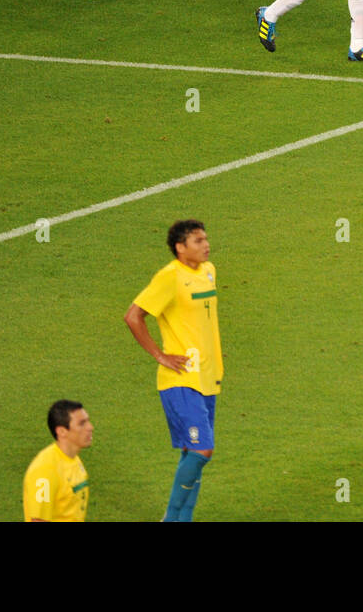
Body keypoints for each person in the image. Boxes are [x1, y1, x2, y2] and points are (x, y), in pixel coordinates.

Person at [124, 219, 222, 522]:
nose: (206, 245)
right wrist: (160, 355)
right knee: (201, 451)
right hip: (180, 379)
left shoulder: (209, 271)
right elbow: (133, 316)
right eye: (197, 241)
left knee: (189, 452)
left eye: (206, 239)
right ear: (180, 248)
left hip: (208, 377)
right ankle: (171, 519)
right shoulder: (169, 277)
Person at [23, 399, 93, 522]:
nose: (90, 427)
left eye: (88, 421)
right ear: (62, 431)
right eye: (82, 423)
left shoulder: (74, 460)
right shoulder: (45, 469)